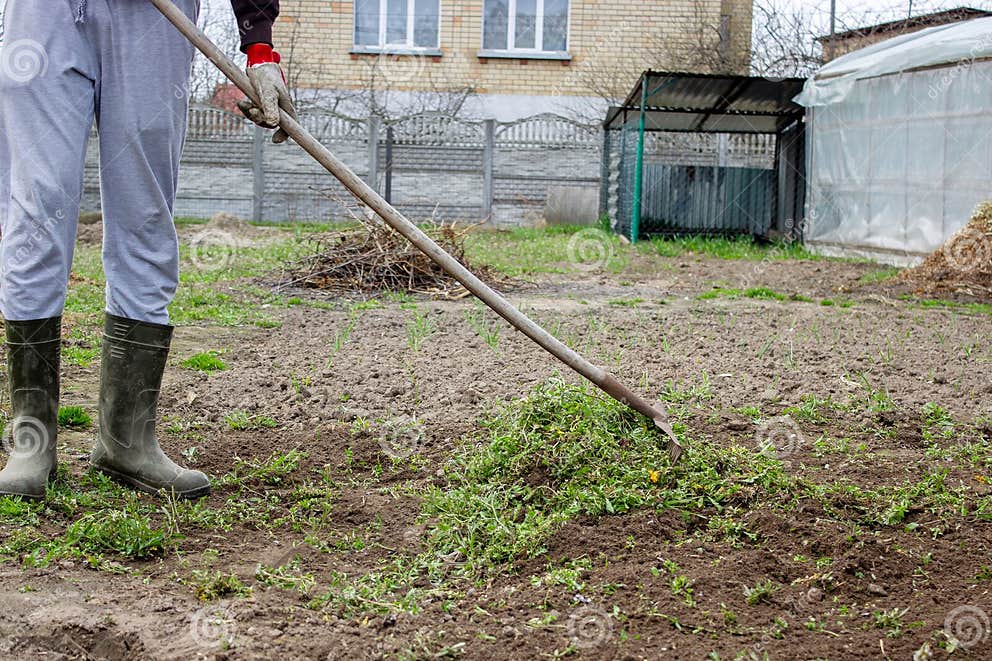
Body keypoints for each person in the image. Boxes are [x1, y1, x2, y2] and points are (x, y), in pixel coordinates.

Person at [0, 0, 296, 500]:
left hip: (155, 17)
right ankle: (32, 444)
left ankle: (127, 442)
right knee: (37, 204)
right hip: (44, 11)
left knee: (145, 209)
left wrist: (260, 47)